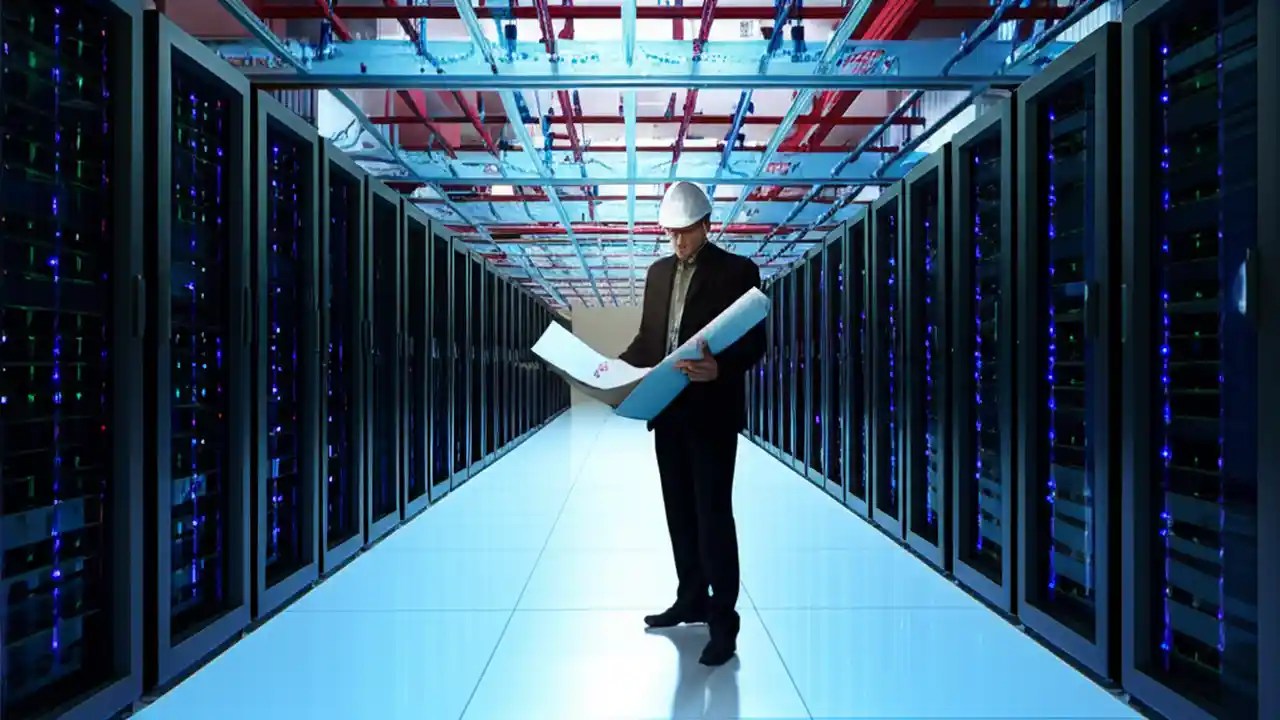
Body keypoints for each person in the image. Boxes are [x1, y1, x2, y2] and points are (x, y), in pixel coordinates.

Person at [617, 181, 766, 666]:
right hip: (669, 413)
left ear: (706, 225)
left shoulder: (737, 271)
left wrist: (719, 369)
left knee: (713, 517)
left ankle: (724, 624)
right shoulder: (658, 274)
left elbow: (755, 343)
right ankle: (690, 600)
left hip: (713, 413)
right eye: (670, 234)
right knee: (679, 512)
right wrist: (612, 371)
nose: (678, 242)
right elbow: (648, 340)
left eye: (685, 232)